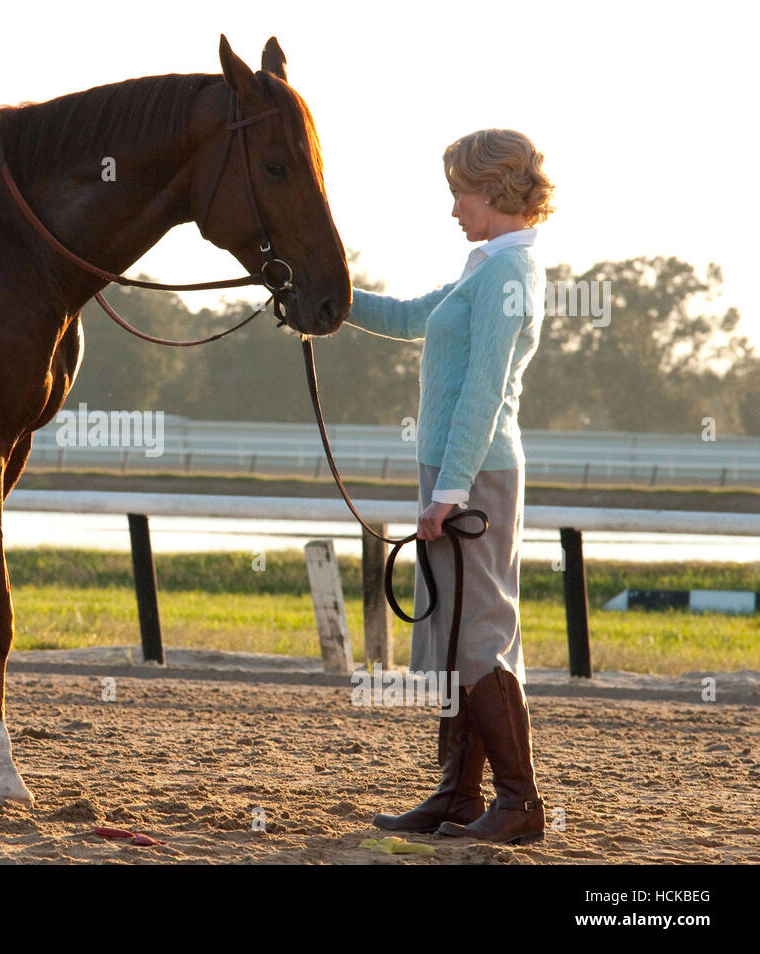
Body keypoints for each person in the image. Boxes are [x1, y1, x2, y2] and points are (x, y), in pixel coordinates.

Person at [349, 129, 555, 845]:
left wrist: (451, 491)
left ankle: (518, 803)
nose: (453, 209)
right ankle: (458, 796)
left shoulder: (508, 274)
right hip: (453, 473)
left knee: (478, 632)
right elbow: (409, 318)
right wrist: (324, 295)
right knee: (453, 629)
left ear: (491, 190)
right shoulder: (484, 267)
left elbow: (484, 392)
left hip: (475, 473)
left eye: (458, 194)